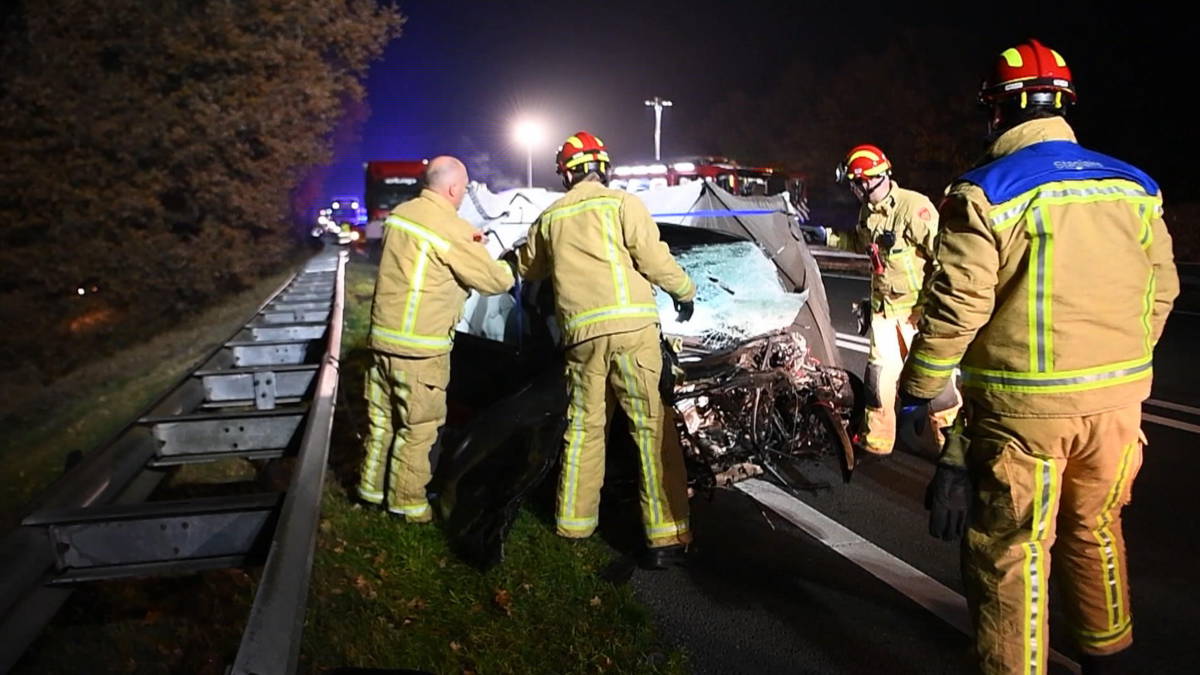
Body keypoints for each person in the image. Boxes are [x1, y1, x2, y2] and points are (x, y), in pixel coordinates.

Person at [897, 39, 1179, 674]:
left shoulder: (983, 191)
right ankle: (1107, 656)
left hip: (1023, 417)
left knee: (1012, 552)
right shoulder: (1136, 186)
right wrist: (1125, 363)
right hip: (1117, 409)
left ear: (996, 113)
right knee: (1097, 530)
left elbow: (956, 310)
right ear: (1065, 106)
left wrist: (920, 389)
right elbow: (1162, 290)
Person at [516, 131, 695, 568]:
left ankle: (574, 525)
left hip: (582, 340)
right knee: (651, 430)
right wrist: (684, 291)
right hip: (633, 333)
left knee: (584, 430)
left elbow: (528, 268)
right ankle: (665, 538)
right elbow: (652, 257)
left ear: (566, 175)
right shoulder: (622, 204)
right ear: (604, 167)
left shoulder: (551, 217)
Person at [358, 156, 515, 521]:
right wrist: (501, 260)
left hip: (382, 340)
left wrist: (466, 242)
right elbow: (496, 281)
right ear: (454, 188)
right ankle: (407, 504)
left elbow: (425, 261)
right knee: (419, 429)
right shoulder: (450, 226)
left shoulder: (401, 215)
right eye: (462, 191)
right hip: (419, 349)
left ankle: (370, 491)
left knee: (383, 423)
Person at [827, 145, 960, 463]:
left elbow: (945, 258)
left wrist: (928, 308)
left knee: (936, 381)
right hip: (884, 311)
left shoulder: (914, 208)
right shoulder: (867, 212)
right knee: (879, 377)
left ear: (868, 180)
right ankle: (878, 439)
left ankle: (952, 447)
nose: (852, 190)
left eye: (854, 183)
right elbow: (862, 244)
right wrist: (828, 236)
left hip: (918, 313)